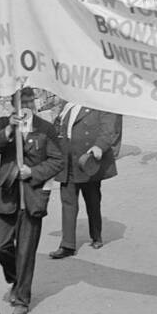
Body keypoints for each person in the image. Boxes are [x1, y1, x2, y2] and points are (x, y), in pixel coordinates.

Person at [0, 89, 63, 314]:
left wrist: (33, 172)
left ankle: (22, 299)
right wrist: (10, 129)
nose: (27, 105)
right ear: (13, 104)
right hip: (7, 197)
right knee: (0, 245)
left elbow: (57, 160)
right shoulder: (3, 123)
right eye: (22, 101)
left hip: (32, 198)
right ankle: (15, 278)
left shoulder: (44, 128)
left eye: (30, 100)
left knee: (26, 252)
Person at [50, 103, 122, 258]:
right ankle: (67, 245)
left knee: (92, 200)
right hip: (67, 161)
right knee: (68, 202)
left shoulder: (98, 102)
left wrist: (99, 147)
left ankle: (96, 235)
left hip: (87, 162)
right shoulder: (67, 105)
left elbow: (108, 130)